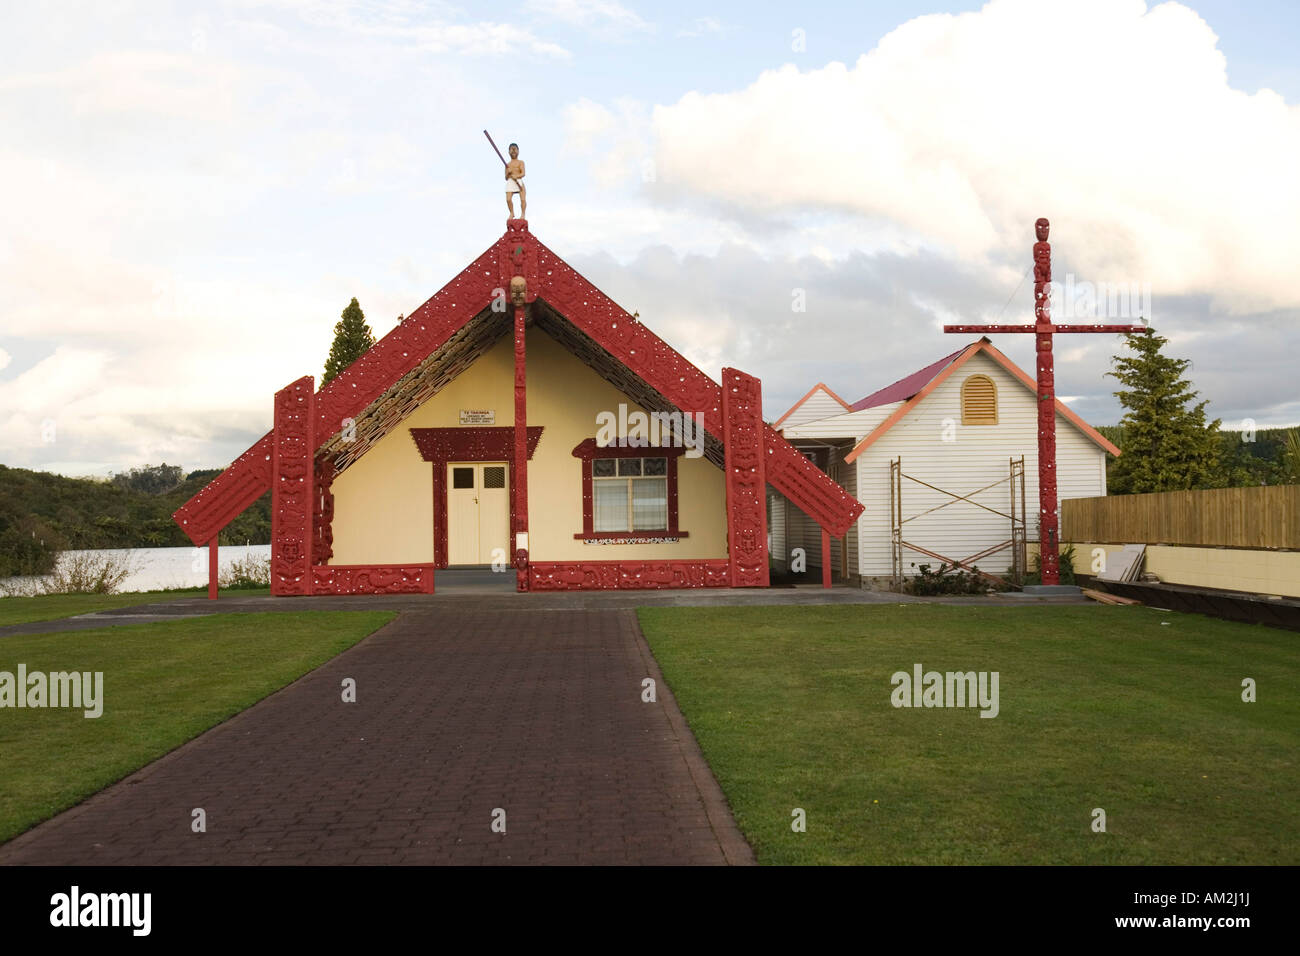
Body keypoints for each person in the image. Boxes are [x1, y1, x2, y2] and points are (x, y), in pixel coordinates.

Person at [505, 143, 526, 219]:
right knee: (508, 199)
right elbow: (506, 178)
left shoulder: (521, 162)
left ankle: (523, 214)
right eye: (511, 149)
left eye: (515, 149)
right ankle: (512, 213)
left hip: (519, 181)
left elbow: (523, 173)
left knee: (523, 199)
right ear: (509, 152)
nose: (513, 150)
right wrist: (508, 172)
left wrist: (516, 176)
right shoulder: (507, 164)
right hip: (511, 181)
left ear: (518, 151)